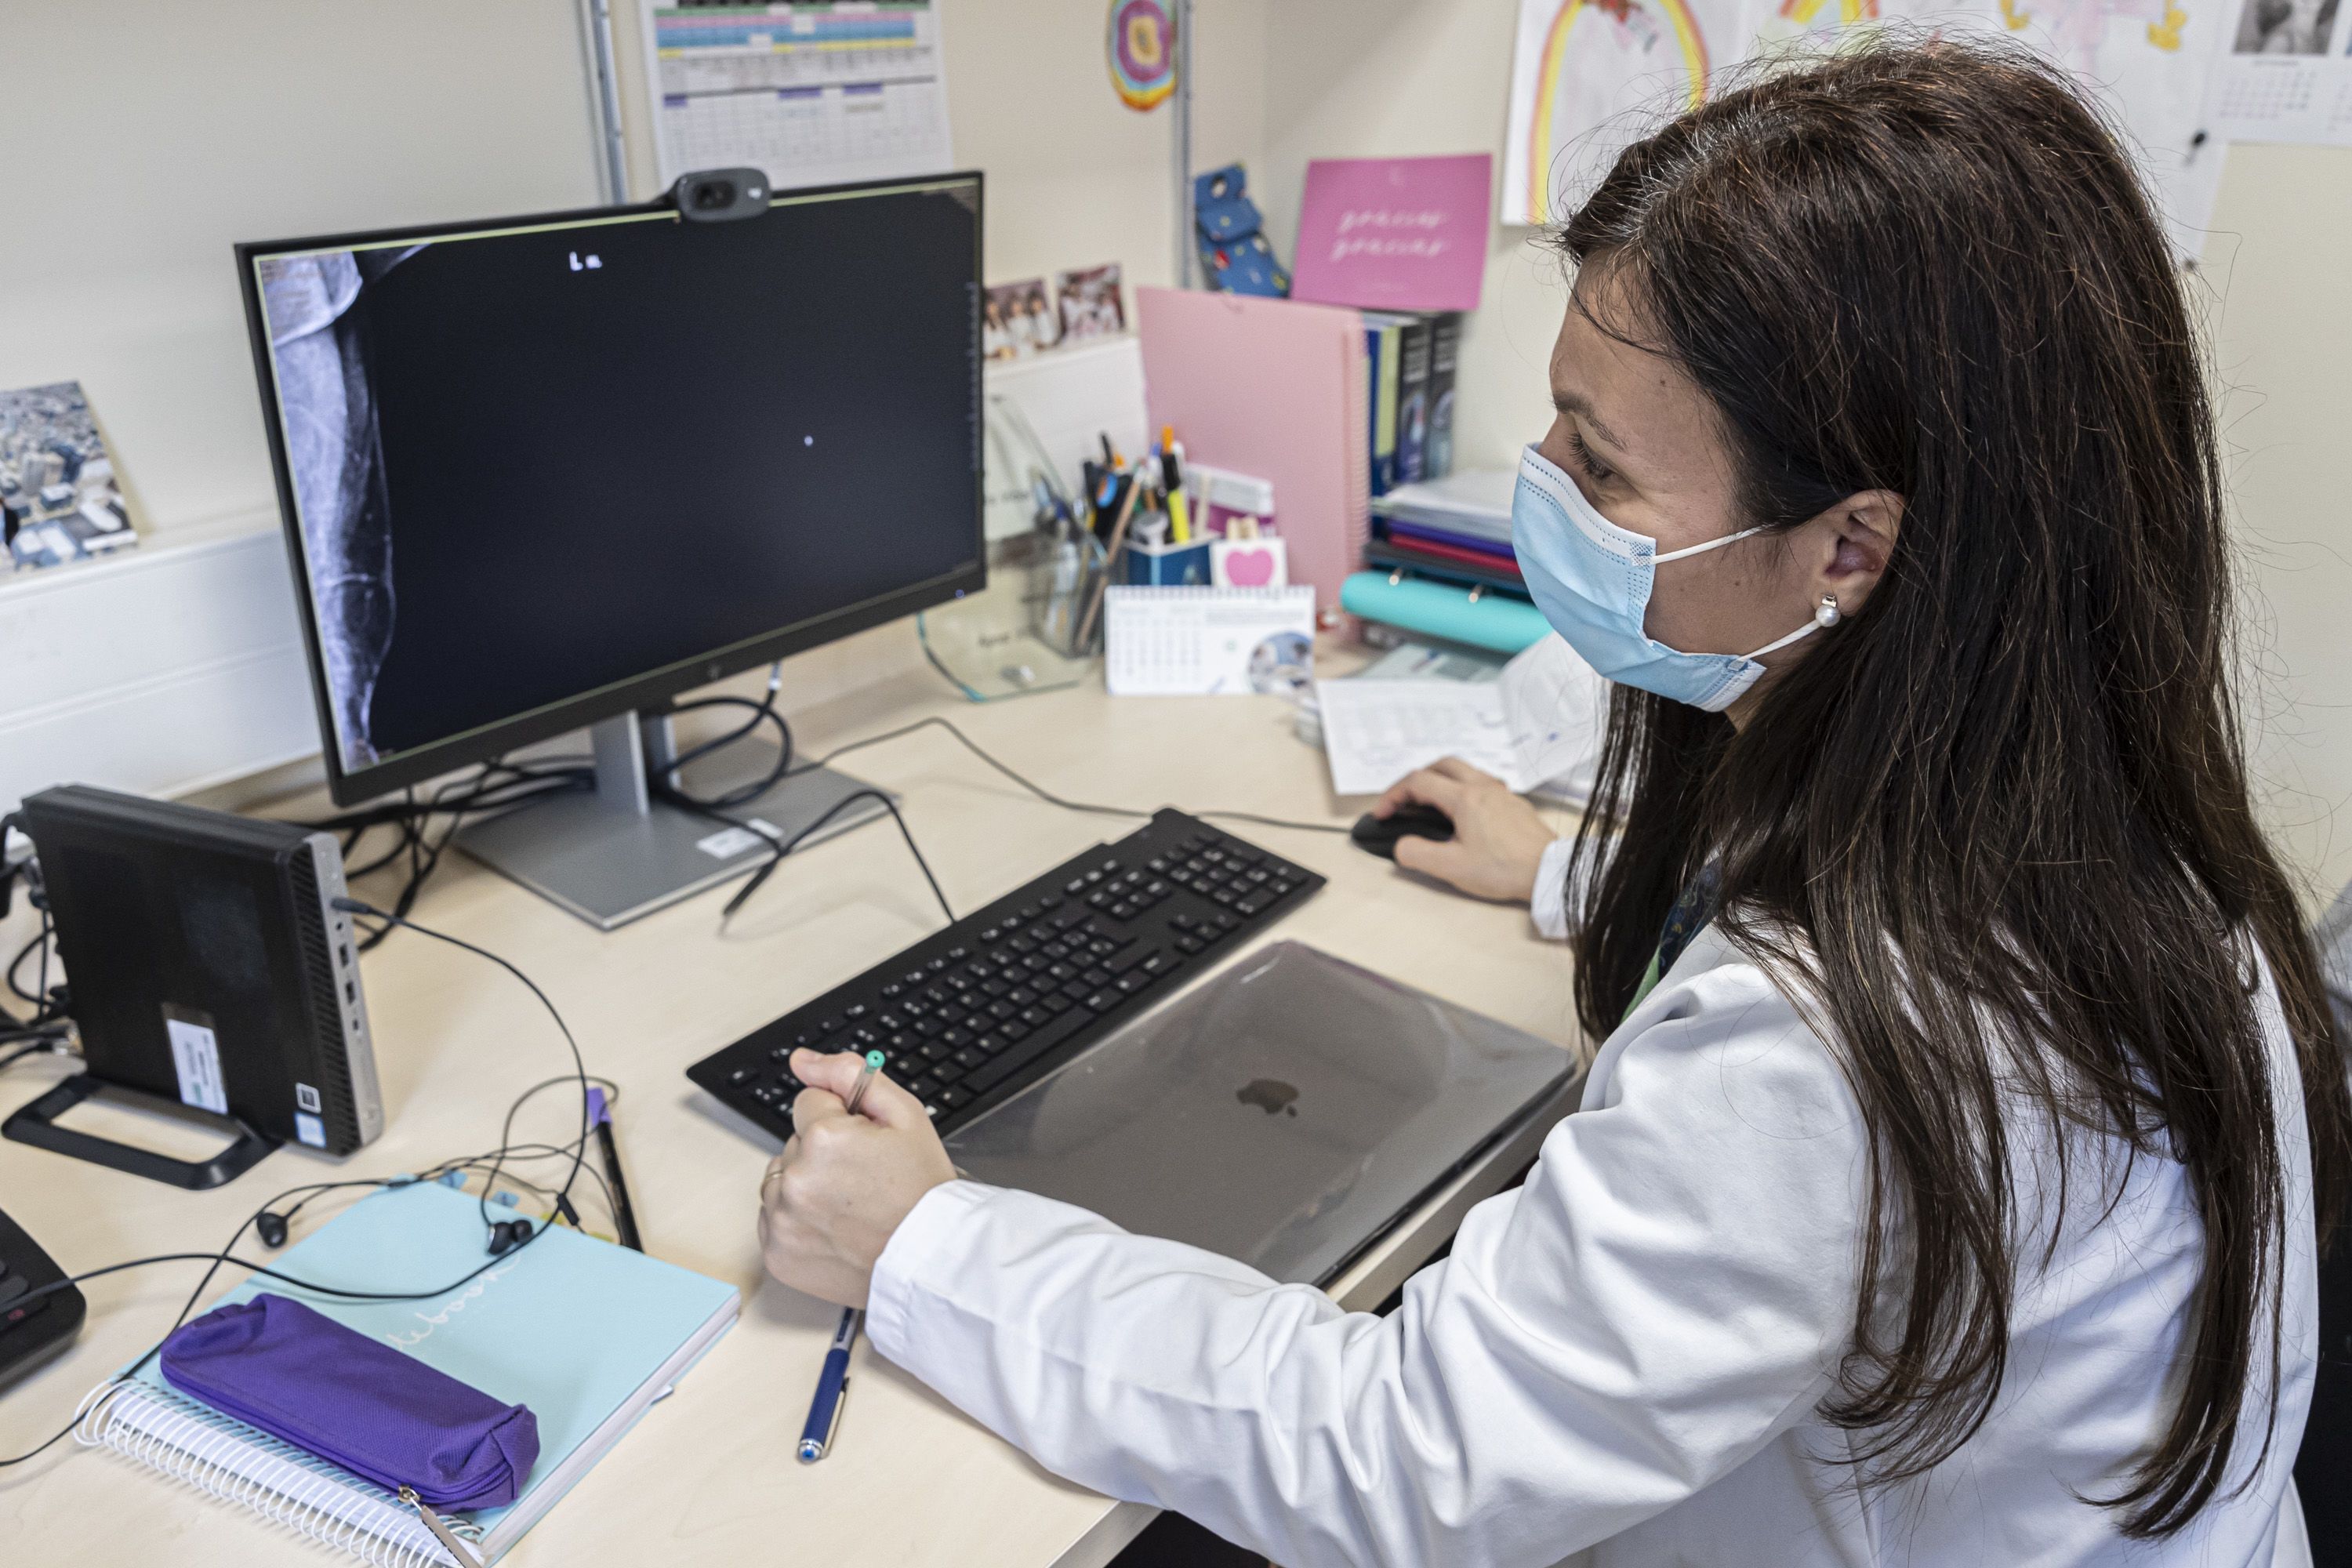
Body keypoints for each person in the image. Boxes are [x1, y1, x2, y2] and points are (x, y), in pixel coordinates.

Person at [754, 41, 2351, 1567]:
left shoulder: (1835, 1048)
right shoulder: (2100, 832)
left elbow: (1404, 1457)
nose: (1539, 482)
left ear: (1850, 549)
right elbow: (1784, 948)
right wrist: (1569, 873)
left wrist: (928, 1245)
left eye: (1597, 465)